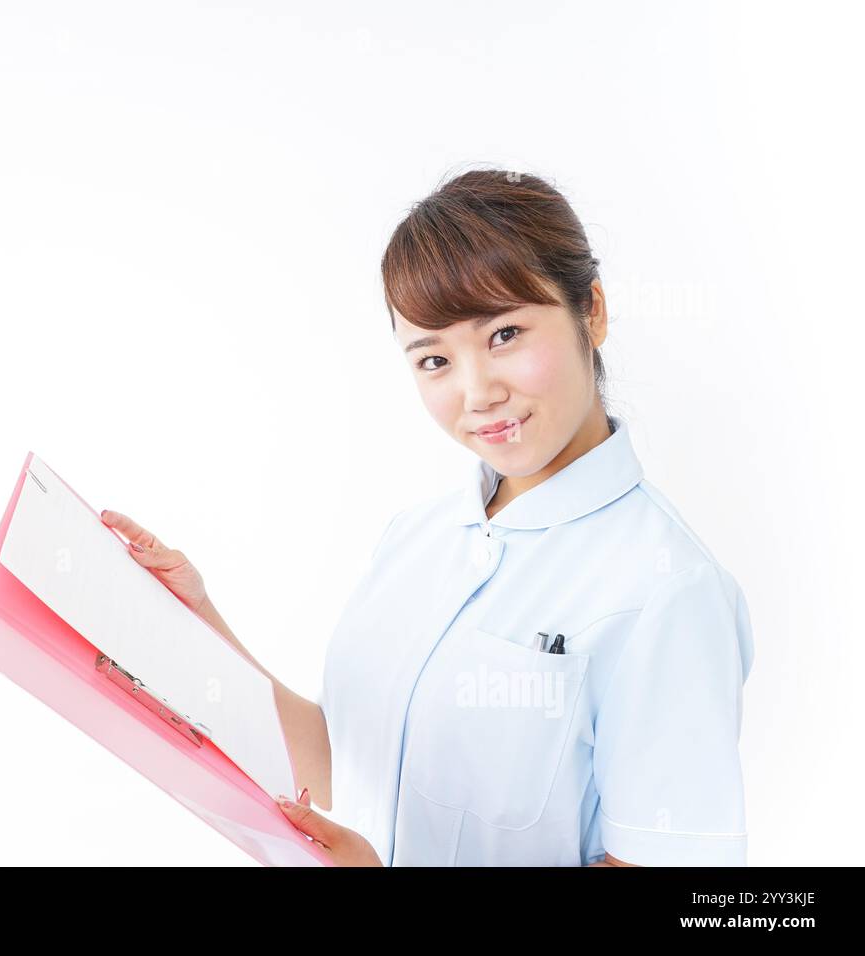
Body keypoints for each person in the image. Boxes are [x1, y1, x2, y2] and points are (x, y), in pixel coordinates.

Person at [100, 168, 755, 867]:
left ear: (590, 310)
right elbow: (345, 766)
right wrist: (193, 617)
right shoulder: (418, 537)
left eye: (505, 334)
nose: (478, 391)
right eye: (435, 358)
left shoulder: (668, 590)